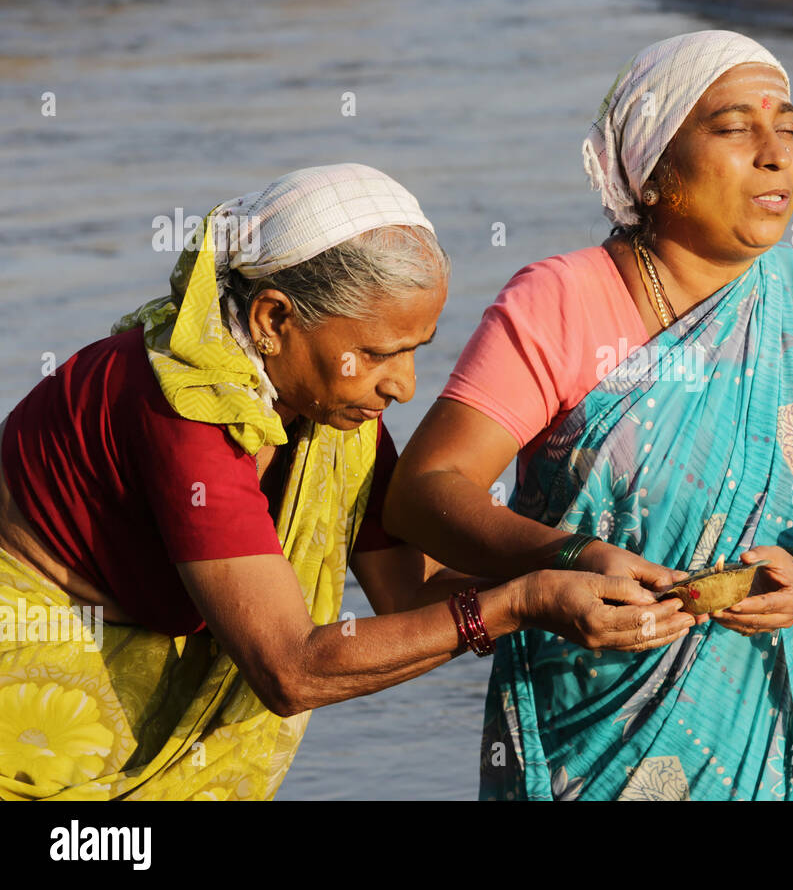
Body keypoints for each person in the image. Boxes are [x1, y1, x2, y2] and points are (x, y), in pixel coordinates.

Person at [0, 163, 692, 800]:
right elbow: (290, 669)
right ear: (274, 319)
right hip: (35, 704)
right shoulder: (188, 415)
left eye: (415, 352)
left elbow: (407, 593)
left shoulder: (332, 415)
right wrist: (523, 602)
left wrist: (573, 564)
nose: (403, 385)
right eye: (377, 354)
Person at [387, 29, 793, 801]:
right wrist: (574, 560)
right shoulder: (560, 303)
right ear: (652, 171)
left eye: (787, 125)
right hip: (597, 734)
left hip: (787, 743)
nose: (775, 152)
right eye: (735, 128)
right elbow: (426, 492)